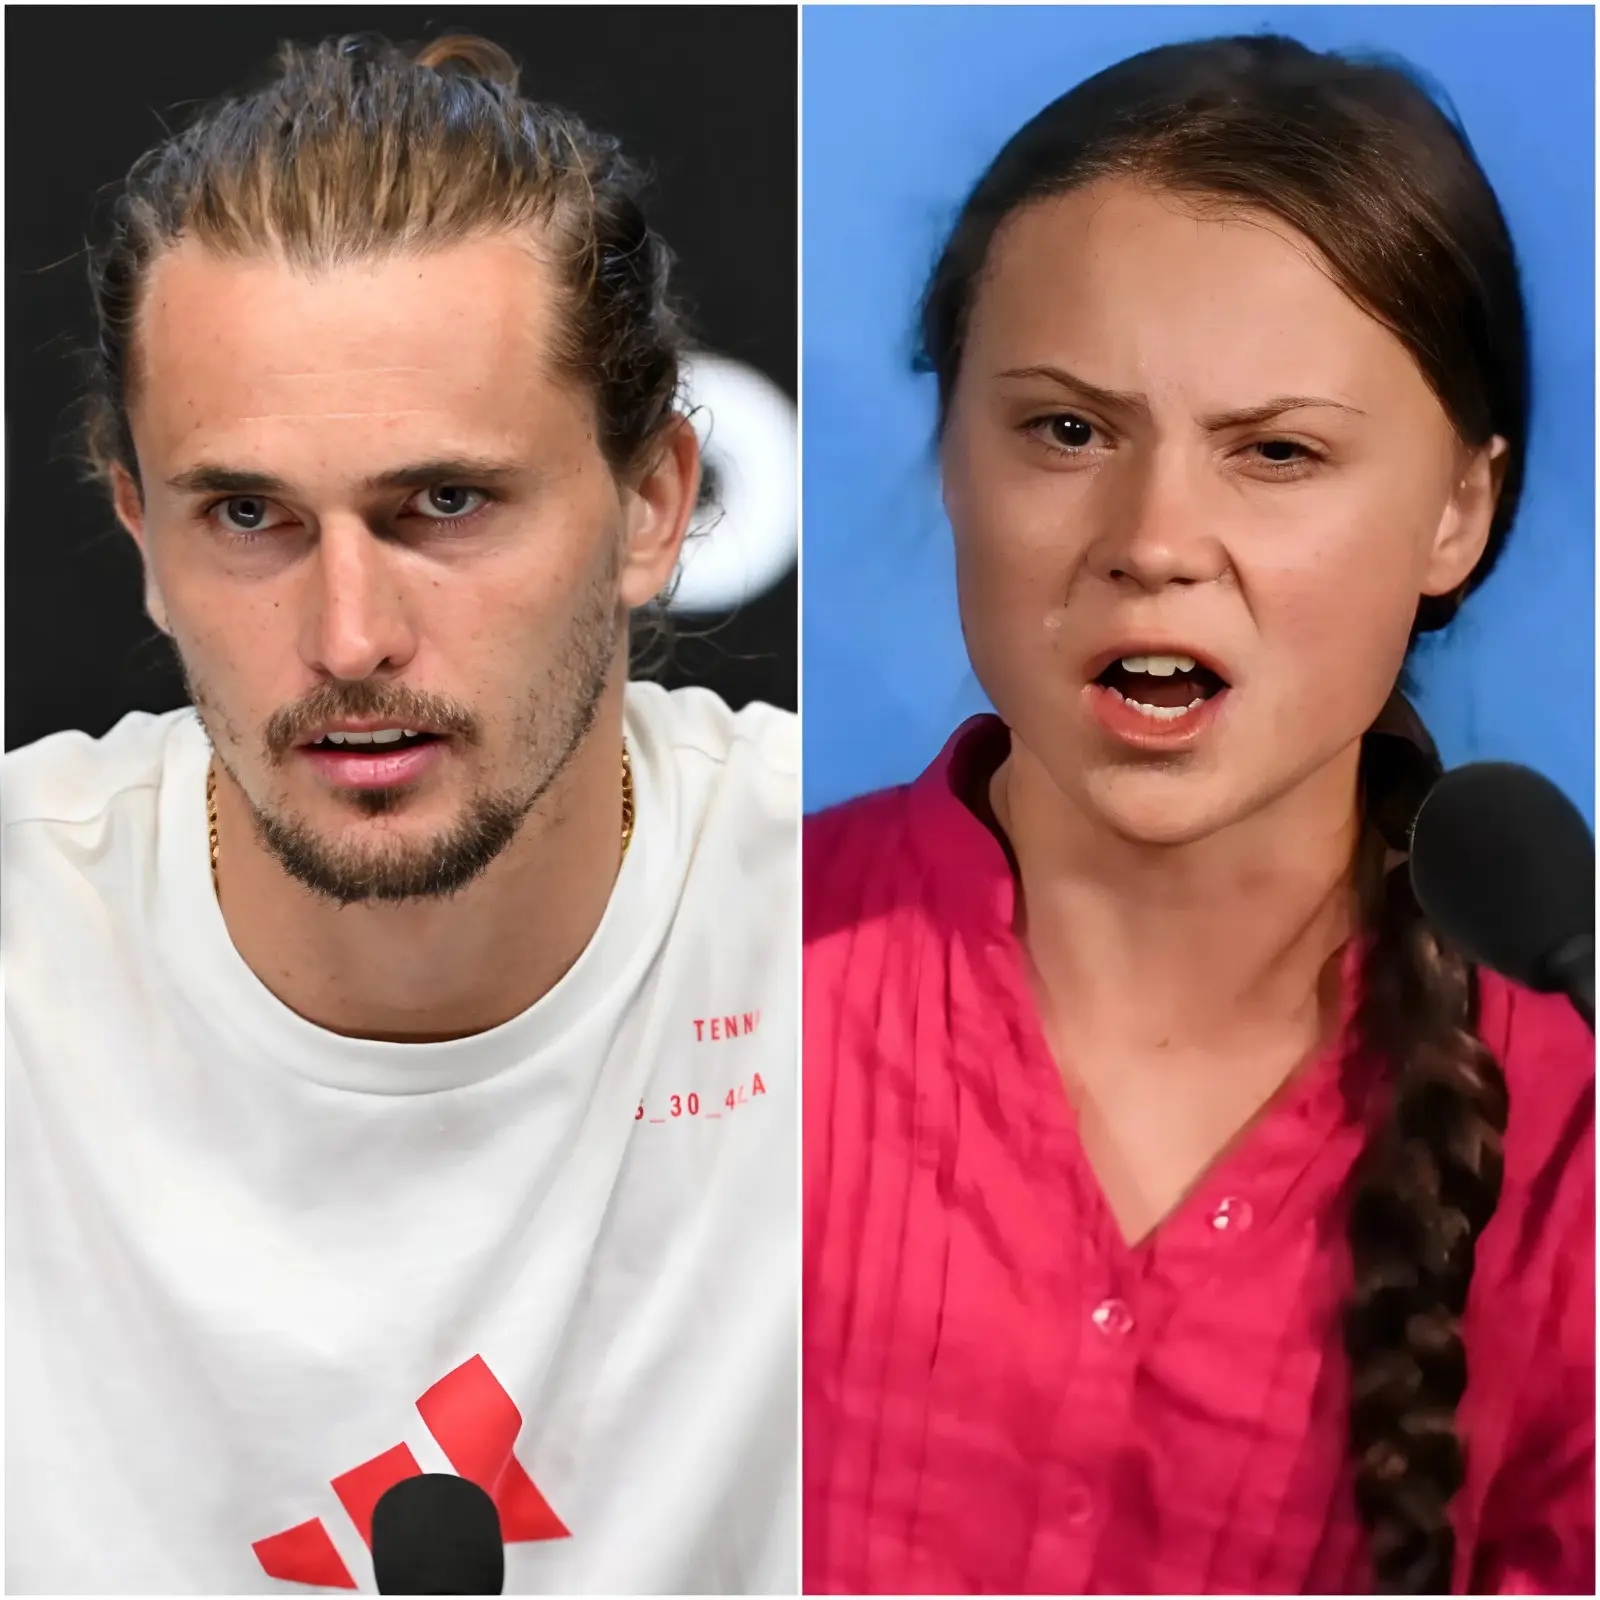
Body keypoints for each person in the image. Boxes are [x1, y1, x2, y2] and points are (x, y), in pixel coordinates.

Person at [5, 33, 796, 1595]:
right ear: (139, 533)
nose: (349, 636)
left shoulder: (872, 941)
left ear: (653, 503)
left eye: (445, 505)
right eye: (249, 517)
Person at [804, 34, 1592, 1596]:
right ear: (949, 452)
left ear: (1459, 510)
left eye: (1277, 453)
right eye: (1069, 433)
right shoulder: (725, 981)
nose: (1157, 540)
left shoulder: (1566, 1112)